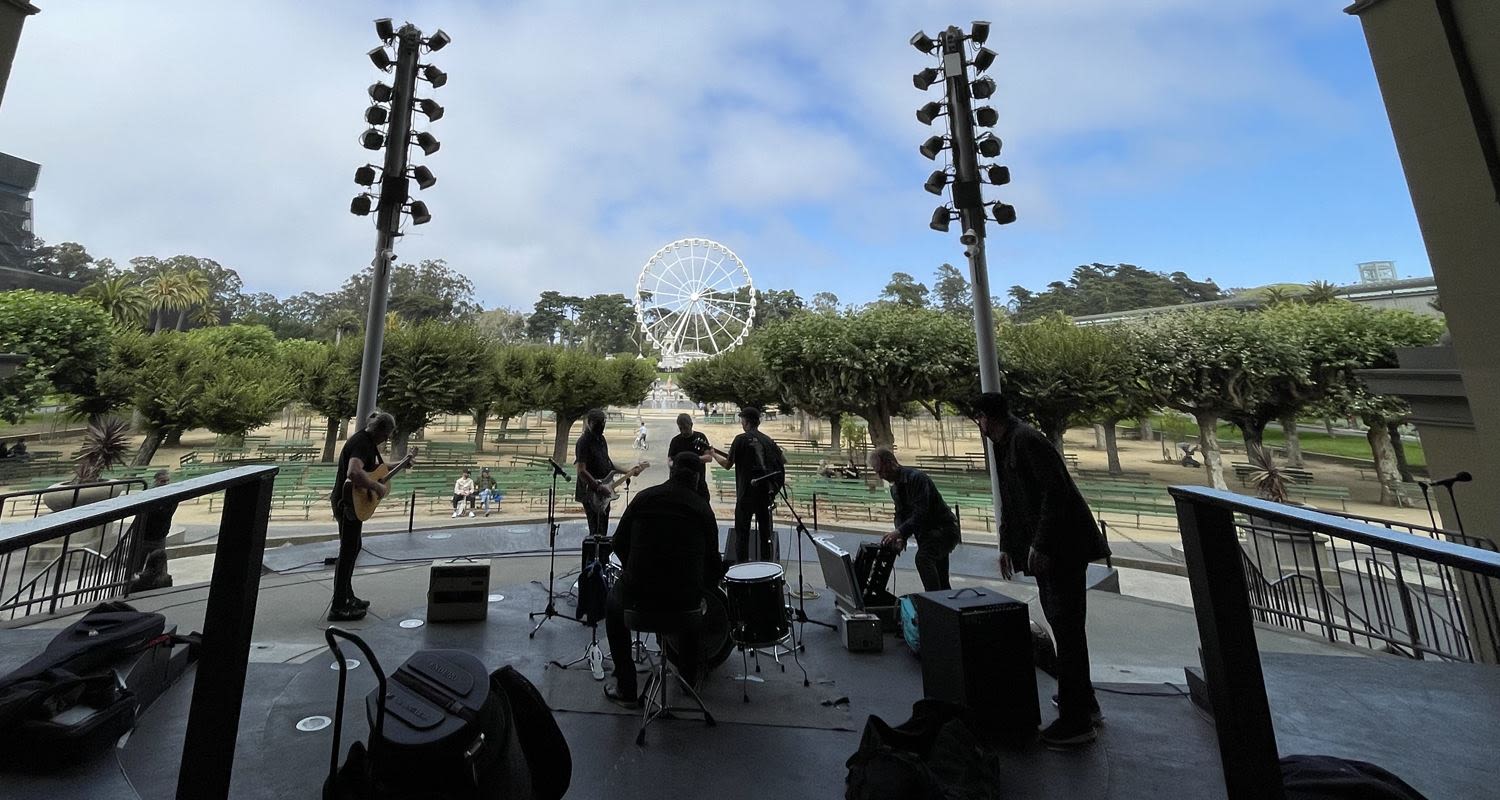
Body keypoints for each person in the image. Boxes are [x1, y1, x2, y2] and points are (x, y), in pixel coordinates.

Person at [972, 392, 1110, 749]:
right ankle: (1081, 702)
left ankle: (1076, 719)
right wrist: (1007, 545)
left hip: (1062, 550)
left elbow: (1056, 493)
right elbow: (1012, 500)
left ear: (987, 418)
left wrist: (1041, 544)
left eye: (980, 419)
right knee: (1065, 627)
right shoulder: (1010, 443)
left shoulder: (1025, 441)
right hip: (1055, 550)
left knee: (1067, 628)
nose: (980, 426)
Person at [603, 451, 721, 707]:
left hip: (639, 595)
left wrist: (634, 570)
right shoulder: (702, 509)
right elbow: (713, 564)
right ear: (697, 480)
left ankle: (626, 686)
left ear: (671, 472)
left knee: (613, 608)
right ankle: (690, 679)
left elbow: (618, 542)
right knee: (696, 606)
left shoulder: (644, 498)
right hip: (682, 602)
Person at [329, 411, 396, 622]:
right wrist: (375, 486)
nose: (386, 440)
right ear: (381, 432)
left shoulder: (367, 442)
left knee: (353, 548)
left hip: (351, 504)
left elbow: (378, 470)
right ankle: (339, 605)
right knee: (348, 551)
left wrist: (402, 462)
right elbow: (354, 473)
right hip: (347, 503)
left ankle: (347, 596)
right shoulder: (361, 443)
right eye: (386, 436)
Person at [871, 448, 961, 591]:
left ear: (891, 463)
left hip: (943, 530)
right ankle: (944, 603)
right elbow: (900, 514)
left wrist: (899, 532)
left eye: (881, 470)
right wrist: (901, 537)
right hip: (928, 535)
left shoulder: (917, 479)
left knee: (923, 559)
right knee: (941, 579)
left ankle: (934, 602)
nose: (881, 475)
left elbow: (921, 513)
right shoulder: (895, 489)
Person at [713, 407, 781, 563]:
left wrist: (713, 454)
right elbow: (781, 462)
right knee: (765, 535)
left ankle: (742, 568)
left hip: (745, 495)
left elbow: (727, 464)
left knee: (742, 535)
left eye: (742, 420)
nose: (741, 423)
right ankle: (766, 568)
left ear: (747, 422)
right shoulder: (767, 440)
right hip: (765, 494)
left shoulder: (740, 439)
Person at [574, 408, 631, 539]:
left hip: (604, 489)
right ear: (589, 422)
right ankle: (592, 557)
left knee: (603, 527)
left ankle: (602, 557)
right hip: (591, 491)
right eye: (597, 423)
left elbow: (608, 464)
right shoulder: (583, 442)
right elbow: (581, 470)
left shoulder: (601, 439)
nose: (601, 426)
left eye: (603, 422)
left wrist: (628, 471)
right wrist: (597, 487)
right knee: (595, 530)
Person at [128, 470, 178, 591]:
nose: (165, 484)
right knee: (135, 567)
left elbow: (166, 514)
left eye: (167, 481)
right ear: (156, 481)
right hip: (143, 537)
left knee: (160, 567)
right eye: (162, 481)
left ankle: (160, 589)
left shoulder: (172, 497)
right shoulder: (149, 495)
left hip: (159, 536)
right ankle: (130, 589)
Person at [666, 413, 714, 500]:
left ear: (691, 425)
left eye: (685, 428)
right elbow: (669, 461)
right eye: (681, 428)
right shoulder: (675, 441)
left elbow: (709, 457)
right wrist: (676, 465)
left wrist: (690, 459)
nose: (683, 431)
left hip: (699, 483)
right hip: (679, 484)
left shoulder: (701, 437)